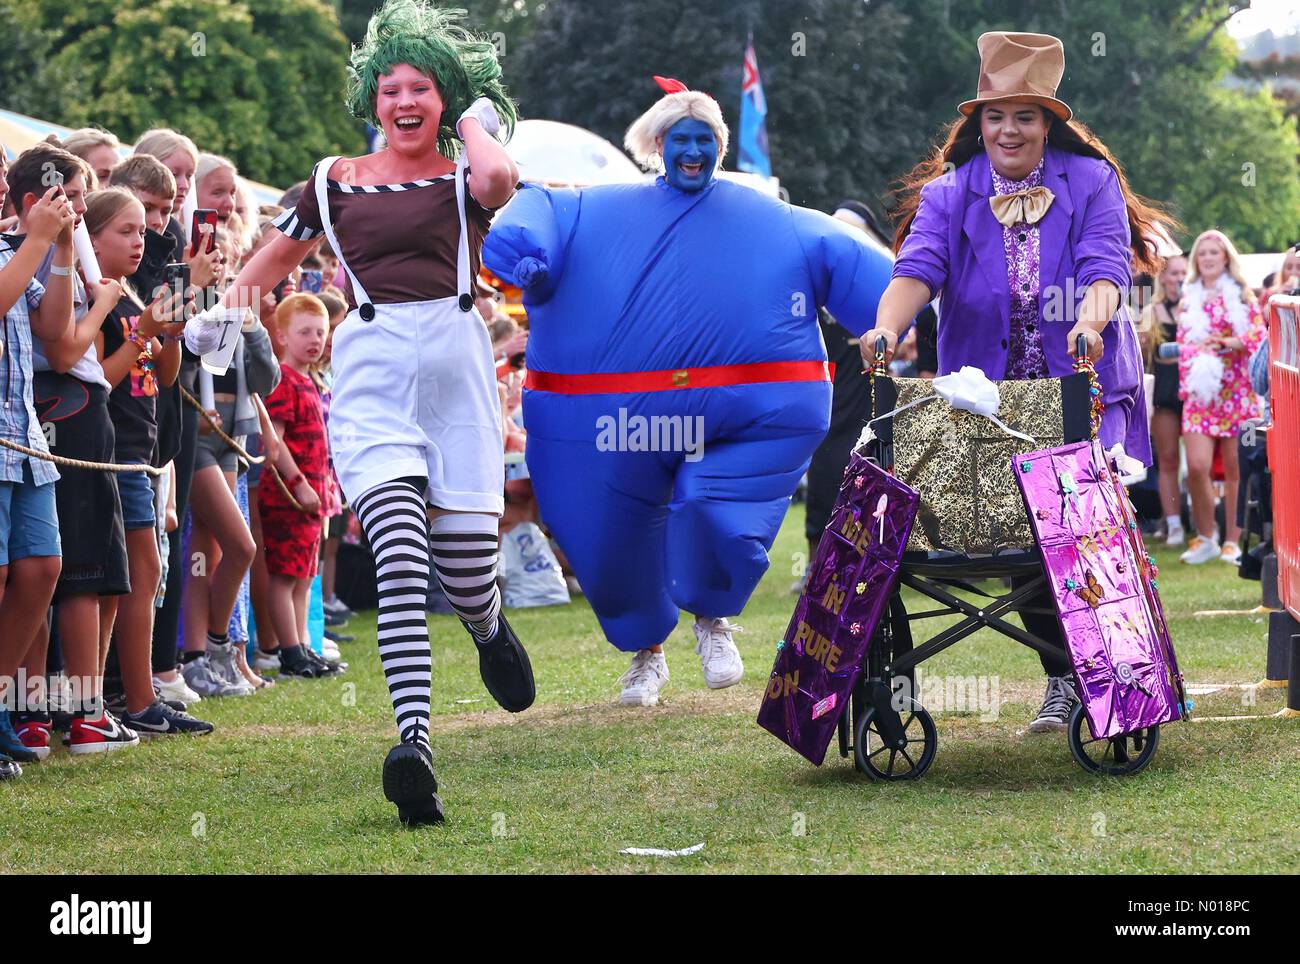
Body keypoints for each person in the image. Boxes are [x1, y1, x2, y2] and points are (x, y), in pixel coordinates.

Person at [185, 0, 535, 826]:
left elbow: (497, 181)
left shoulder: (463, 175)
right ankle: (413, 743)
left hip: (456, 372)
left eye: (421, 87)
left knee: (462, 565)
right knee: (401, 553)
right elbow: (273, 261)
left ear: (443, 99)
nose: (403, 101)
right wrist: (221, 312)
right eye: (389, 89)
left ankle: (488, 627)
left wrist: (481, 120)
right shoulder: (330, 180)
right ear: (371, 102)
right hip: (373, 372)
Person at [483, 76, 893, 707]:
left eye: (705, 138)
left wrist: (890, 314)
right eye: (682, 138)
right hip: (615, 419)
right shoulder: (598, 210)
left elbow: (850, 259)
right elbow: (535, 206)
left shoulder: (765, 216)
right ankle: (646, 655)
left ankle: (712, 619)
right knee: (610, 531)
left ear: (720, 149)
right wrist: (524, 252)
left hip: (743, 411)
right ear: (657, 145)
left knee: (715, 510)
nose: (693, 150)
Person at [859, 32, 1170, 733]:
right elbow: (918, 269)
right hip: (993, 399)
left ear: (1049, 124)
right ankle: (1064, 680)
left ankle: (1119, 674)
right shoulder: (951, 192)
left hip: (1080, 385)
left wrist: (1089, 324)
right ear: (978, 125)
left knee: (1084, 534)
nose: (1009, 130)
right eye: (995, 116)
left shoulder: (1088, 182)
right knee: (1028, 537)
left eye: (1025, 116)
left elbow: (1104, 269)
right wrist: (887, 328)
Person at [87, 188, 211, 738]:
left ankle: (127, 697)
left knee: (140, 576)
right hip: (113, 453)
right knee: (136, 575)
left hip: (142, 451)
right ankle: (134, 697)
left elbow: (164, 377)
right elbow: (103, 378)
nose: (140, 241)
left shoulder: (133, 297)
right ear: (92, 239)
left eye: (143, 232)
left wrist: (173, 320)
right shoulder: (97, 300)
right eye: (126, 231)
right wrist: (152, 325)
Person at [0, 173, 77, 774]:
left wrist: (66, 249)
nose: (1, 182)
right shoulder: (17, 248)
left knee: (41, 568)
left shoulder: (13, 249)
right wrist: (36, 241)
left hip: (24, 439)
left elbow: (55, 337)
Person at [1175, 229, 1265, 566]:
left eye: (1214, 252)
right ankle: (1205, 535)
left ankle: (1232, 540)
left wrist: (1228, 343)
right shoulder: (1189, 298)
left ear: (1226, 256)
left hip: (1236, 390)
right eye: (1202, 253)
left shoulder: (1243, 295)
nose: (1208, 258)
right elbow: (1183, 345)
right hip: (1200, 391)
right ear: (1196, 261)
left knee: (1234, 470)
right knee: (1196, 466)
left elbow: (1257, 338)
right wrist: (1197, 352)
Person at [260, 293, 332, 677]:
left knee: (305, 575)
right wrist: (299, 483)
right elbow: (276, 442)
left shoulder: (311, 380)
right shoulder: (284, 380)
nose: (315, 339)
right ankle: (288, 651)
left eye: (320, 332)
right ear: (282, 336)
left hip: (314, 495)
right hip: (289, 495)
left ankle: (304, 646)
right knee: (285, 574)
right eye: (304, 331)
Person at [1139, 253, 1188, 546]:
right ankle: (1173, 523)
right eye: (1173, 273)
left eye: (1184, 273)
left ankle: (1201, 523)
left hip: (1194, 390)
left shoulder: (1197, 308)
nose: (1179, 279)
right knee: (1167, 458)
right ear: (1163, 278)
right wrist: (1145, 341)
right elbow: (1145, 359)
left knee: (1197, 462)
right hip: (1165, 392)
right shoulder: (1152, 312)